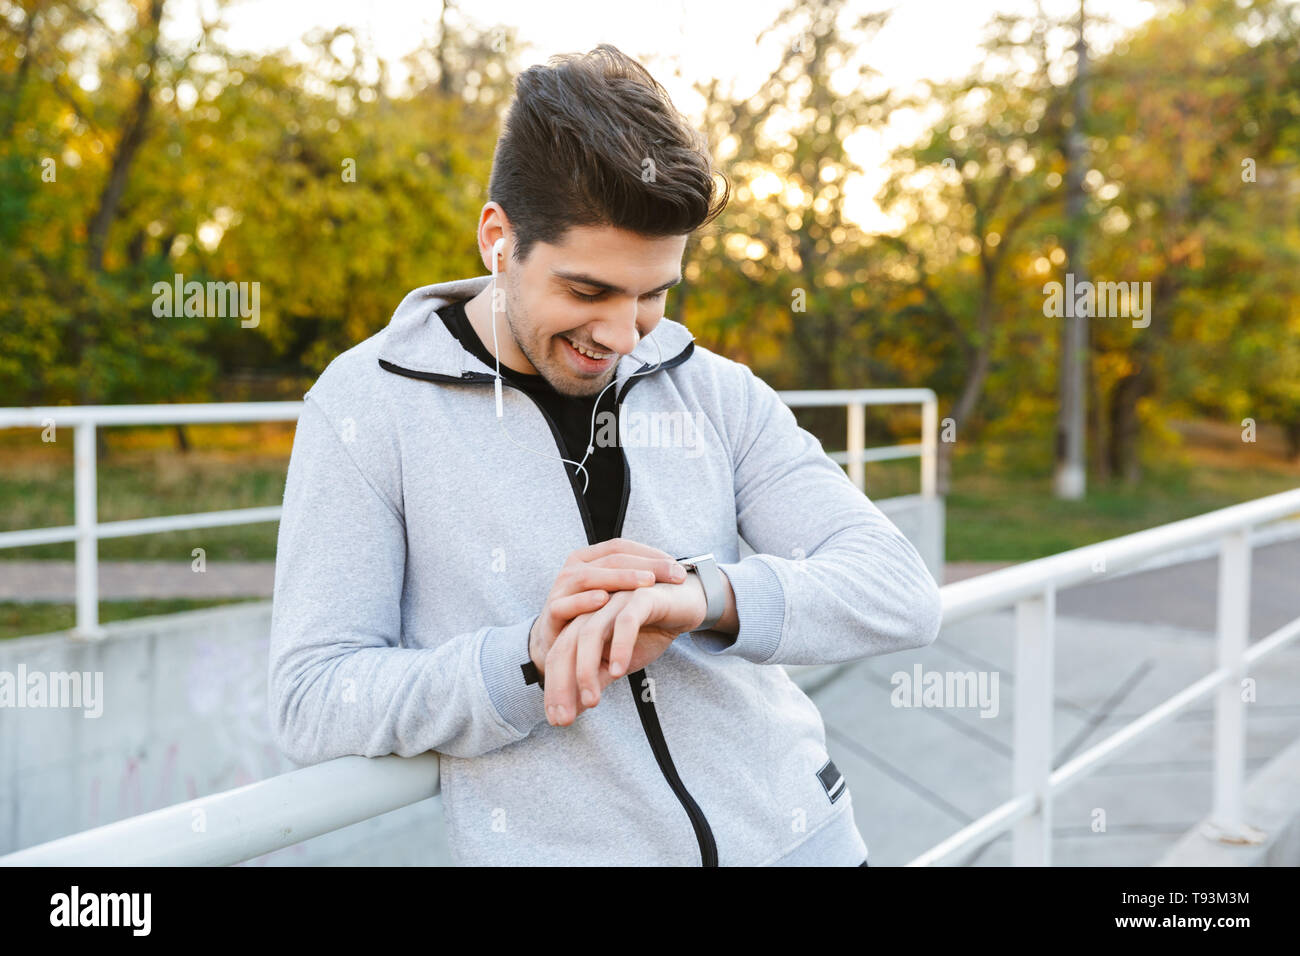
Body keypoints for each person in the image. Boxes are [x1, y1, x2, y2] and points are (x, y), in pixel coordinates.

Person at [268, 43, 941, 867]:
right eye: (588, 292)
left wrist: (706, 596)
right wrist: (526, 657)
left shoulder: (714, 388)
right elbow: (314, 698)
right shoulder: (364, 406)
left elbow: (899, 590)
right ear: (497, 239)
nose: (622, 337)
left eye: (653, 294)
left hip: (809, 844)